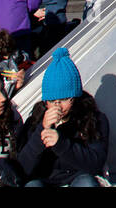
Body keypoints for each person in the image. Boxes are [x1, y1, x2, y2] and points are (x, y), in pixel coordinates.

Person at [15, 48, 109, 186]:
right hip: (44, 179)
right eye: (52, 101)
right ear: (45, 101)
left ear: (75, 98)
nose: (58, 106)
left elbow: (95, 164)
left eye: (64, 99)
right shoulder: (34, 121)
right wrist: (42, 130)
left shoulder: (93, 119)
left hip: (78, 177)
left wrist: (62, 144)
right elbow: (22, 168)